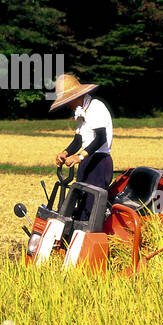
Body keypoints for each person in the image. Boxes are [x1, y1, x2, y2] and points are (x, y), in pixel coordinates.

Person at [50, 73, 113, 217]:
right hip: (87, 162)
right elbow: (78, 140)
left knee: (90, 210)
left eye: (67, 101)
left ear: (75, 97)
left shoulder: (96, 107)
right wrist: (65, 153)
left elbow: (100, 139)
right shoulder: (81, 112)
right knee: (80, 205)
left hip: (99, 163)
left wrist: (79, 157)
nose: (67, 105)